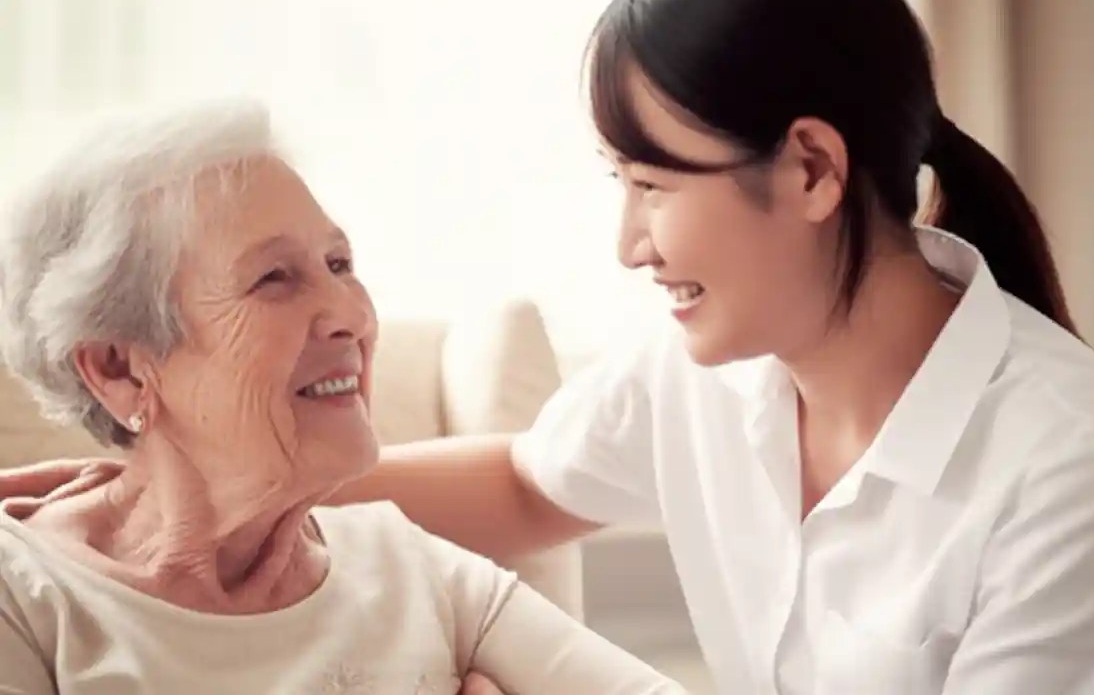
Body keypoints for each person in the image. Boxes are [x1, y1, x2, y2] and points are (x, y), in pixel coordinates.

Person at [1, 0, 1094, 693]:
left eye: (652, 185)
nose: (627, 246)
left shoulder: (1073, 485)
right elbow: (526, 485)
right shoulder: (716, 367)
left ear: (809, 168)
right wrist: (208, 480)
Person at [0, 103, 683, 695]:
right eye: (273, 278)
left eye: (340, 264)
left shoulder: (413, 569)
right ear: (119, 368)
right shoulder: (26, 600)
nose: (349, 314)